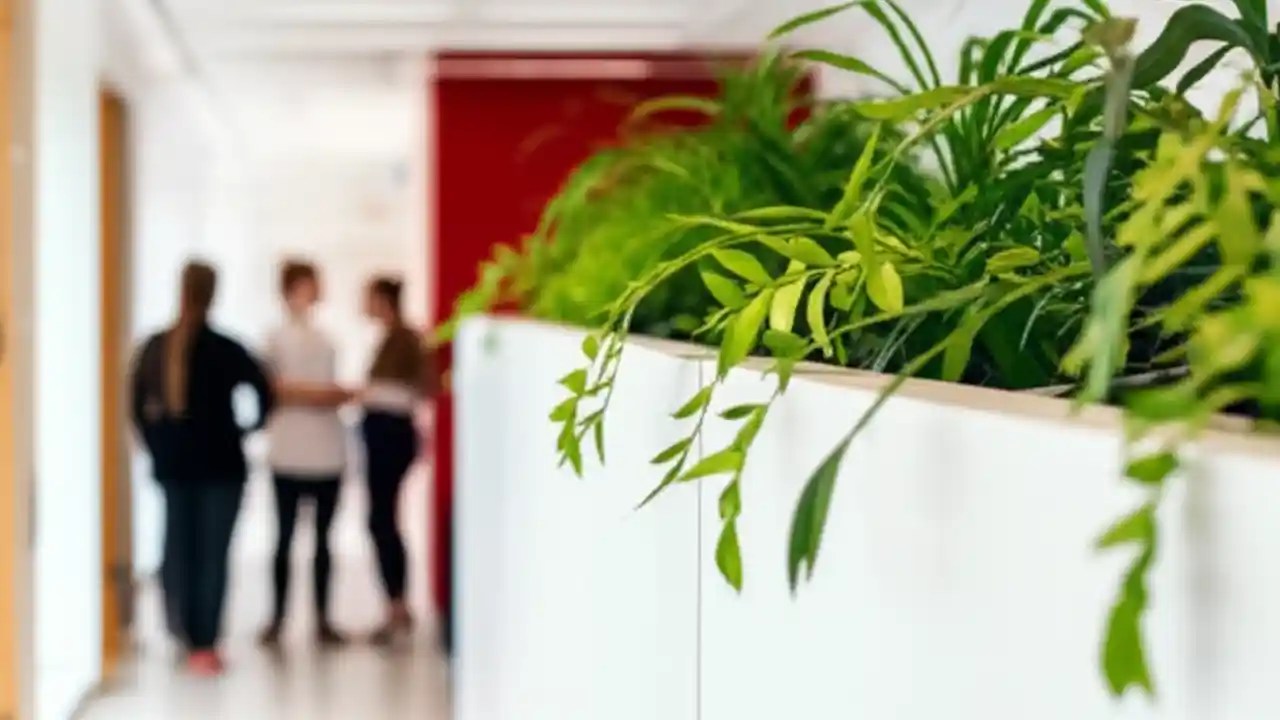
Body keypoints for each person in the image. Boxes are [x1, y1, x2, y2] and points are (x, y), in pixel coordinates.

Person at [130, 261, 274, 676]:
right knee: (202, 554)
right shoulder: (215, 348)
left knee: (184, 551)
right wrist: (246, 429)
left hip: (188, 467)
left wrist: (159, 444)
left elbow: (137, 408)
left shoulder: (167, 347)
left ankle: (190, 635)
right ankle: (200, 640)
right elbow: (265, 393)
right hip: (210, 467)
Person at [259, 261, 351, 648]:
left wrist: (314, 394)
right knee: (283, 539)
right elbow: (274, 389)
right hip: (289, 451)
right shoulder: (274, 338)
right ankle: (277, 617)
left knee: (323, 541)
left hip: (327, 451)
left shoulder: (326, 337)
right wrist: (320, 395)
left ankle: (323, 618)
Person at [360, 276, 438, 645]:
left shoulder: (406, 339)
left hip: (390, 433)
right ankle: (395, 602)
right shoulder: (392, 339)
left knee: (382, 518)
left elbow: (426, 385)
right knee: (382, 517)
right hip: (383, 432)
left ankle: (397, 604)